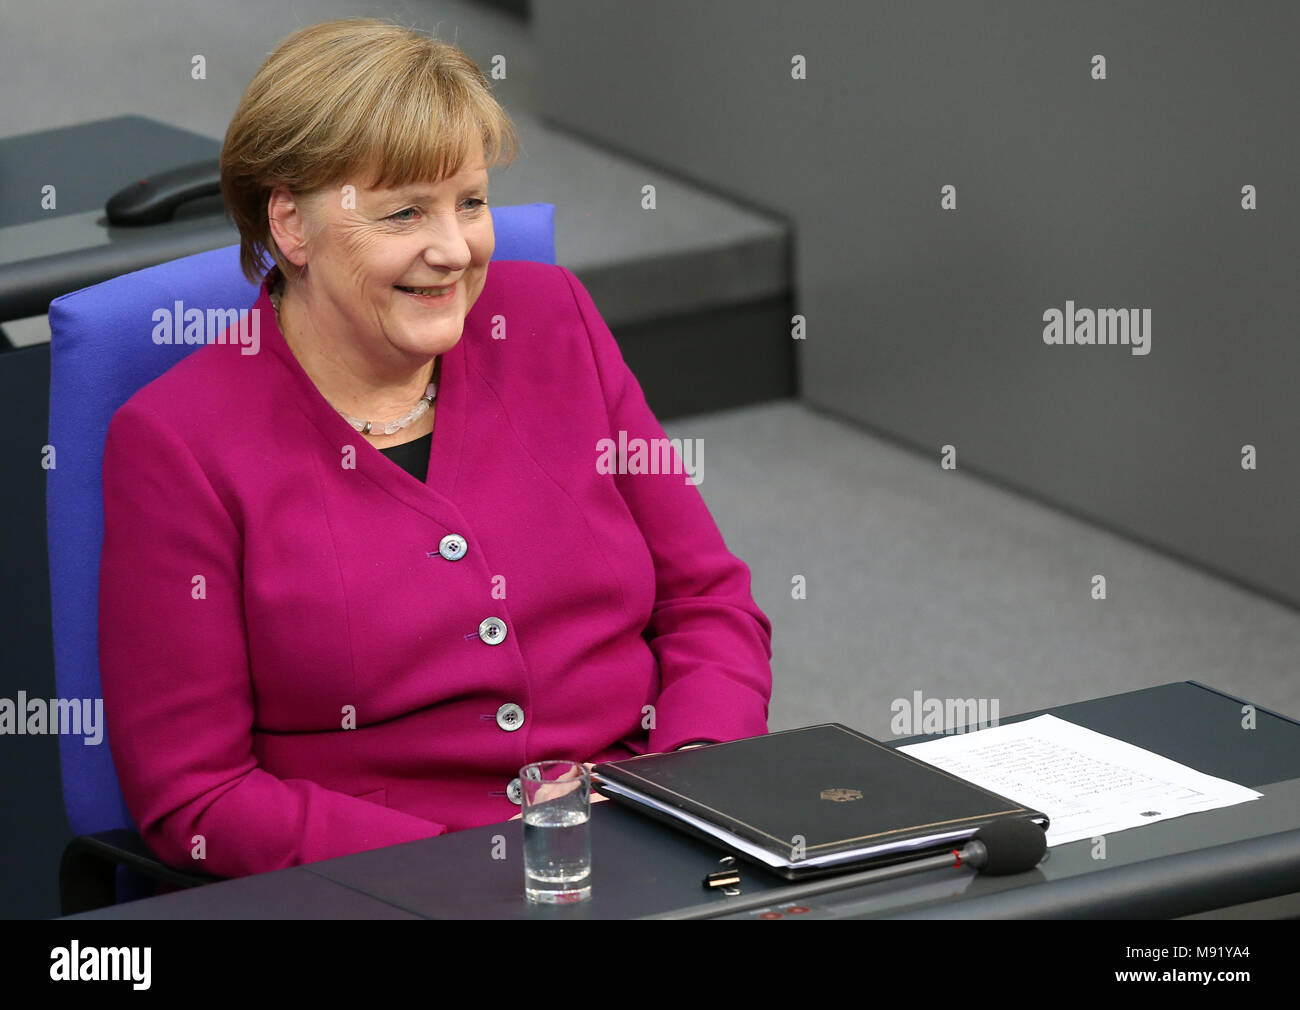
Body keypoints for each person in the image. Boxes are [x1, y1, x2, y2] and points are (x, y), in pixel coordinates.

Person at [98, 16, 772, 881]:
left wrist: (689, 786)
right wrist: (476, 865)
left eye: (472, 203)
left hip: (653, 837)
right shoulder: (177, 443)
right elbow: (196, 795)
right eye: (404, 212)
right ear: (292, 227)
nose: (454, 249)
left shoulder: (552, 319)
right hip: (400, 887)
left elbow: (707, 603)